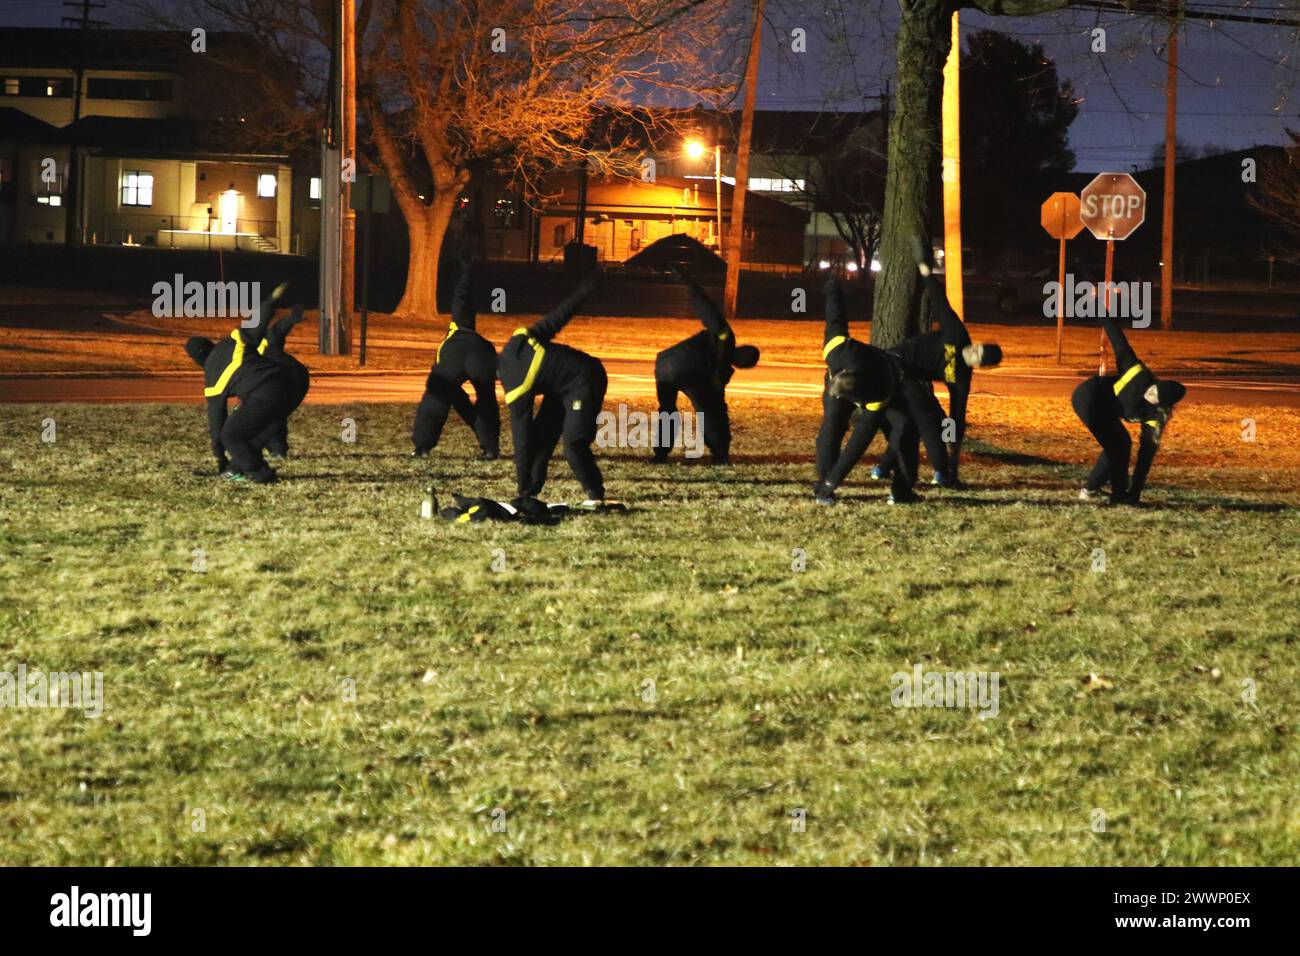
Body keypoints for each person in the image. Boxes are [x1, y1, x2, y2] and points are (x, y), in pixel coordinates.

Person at [874, 236, 1002, 487]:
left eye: (977, 357)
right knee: (929, 419)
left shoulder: (961, 377)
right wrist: (925, 271)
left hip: (906, 379)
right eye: (976, 348)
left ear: (979, 366)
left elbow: (956, 415)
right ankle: (941, 474)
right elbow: (941, 304)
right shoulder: (957, 335)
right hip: (894, 363)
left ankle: (883, 468)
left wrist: (955, 449)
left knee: (917, 422)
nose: (972, 352)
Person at [812, 275, 923, 505]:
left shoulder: (880, 391)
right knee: (831, 426)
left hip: (882, 376)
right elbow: (836, 316)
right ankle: (823, 488)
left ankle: (900, 491)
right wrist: (832, 288)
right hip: (844, 374)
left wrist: (835, 480)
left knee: (905, 429)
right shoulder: (836, 348)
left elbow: (857, 445)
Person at [497, 278, 606, 503]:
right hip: (561, 385)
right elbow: (558, 317)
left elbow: (521, 439)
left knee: (574, 445)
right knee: (543, 436)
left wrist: (520, 480)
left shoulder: (515, 387)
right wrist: (585, 290)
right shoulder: (518, 341)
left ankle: (595, 494)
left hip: (587, 379)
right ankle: (531, 491)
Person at [183, 282, 302, 484]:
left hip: (264, 392)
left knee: (232, 435)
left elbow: (217, 418)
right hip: (287, 382)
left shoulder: (212, 374)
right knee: (256, 430)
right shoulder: (232, 341)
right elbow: (256, 323)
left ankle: (261, 475)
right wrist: (271, 301)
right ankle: (244, 465)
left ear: (197, 361)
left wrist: (219, 454)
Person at [1072, 311, 1185, 505]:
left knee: (1120, 443)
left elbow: (1145, 457)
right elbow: (1117, 337)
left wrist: (1135, 492)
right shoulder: (1135, 370)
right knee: (1118, 444)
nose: (1148, 395)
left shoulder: (1156, 416)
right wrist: (1097, 306)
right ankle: (1110, 494)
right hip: (1088, 396)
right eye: (1152, 390)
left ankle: (1098, 491)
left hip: (1107, 412)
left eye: (1153, 397)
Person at [652, 266, 759, 464]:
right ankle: (719, 455)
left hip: (665, 364)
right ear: (743, 366)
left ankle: (660, 454)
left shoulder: (724, 338)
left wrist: (688, 282)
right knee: (709, 412)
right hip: (688, 369)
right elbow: (718, 411)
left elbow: (707, 309)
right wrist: (722, 449)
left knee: (667, 408)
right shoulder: (723, 368)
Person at [411, 249, 501, 459]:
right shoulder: (469, 325)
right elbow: (464, 299)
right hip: (483, 352)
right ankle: (491, 449)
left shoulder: (454, 330)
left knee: (436, 395)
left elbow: (460, 296)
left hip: (457, 353)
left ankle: (422, 447)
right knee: (486, 400)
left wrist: (466, 271)